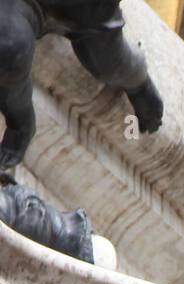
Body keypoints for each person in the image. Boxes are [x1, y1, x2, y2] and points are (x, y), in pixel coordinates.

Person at [0, 0, 163, 175]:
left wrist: (137, 82)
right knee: (9, 46)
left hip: (86, 9)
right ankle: (21, 124)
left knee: (107, 65)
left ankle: (139, 83)